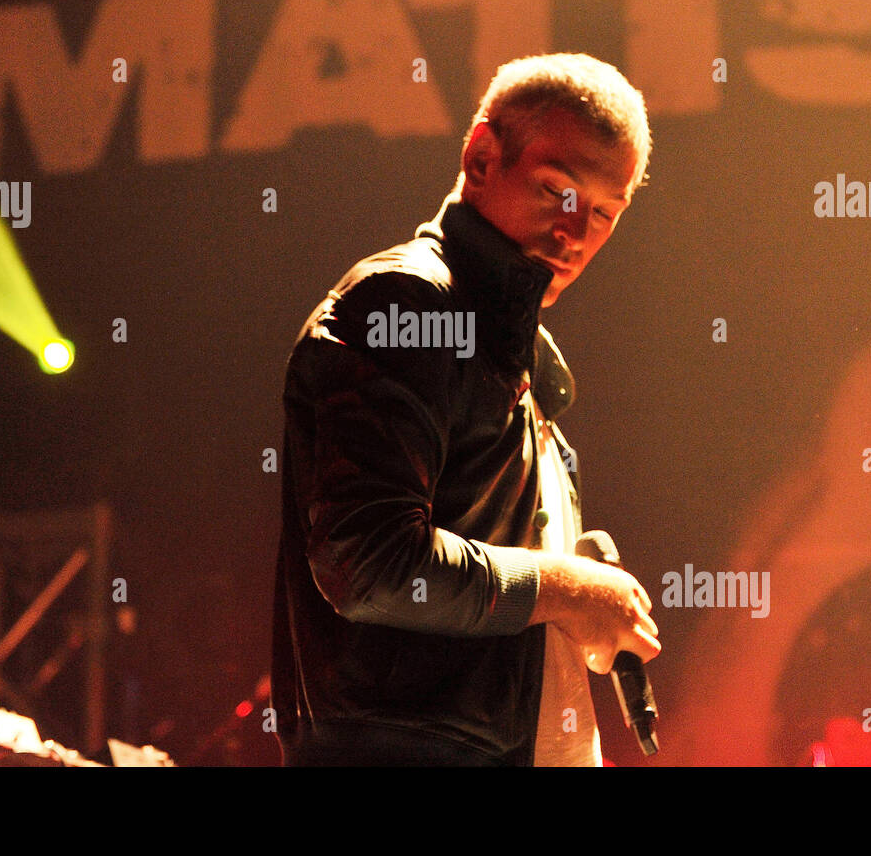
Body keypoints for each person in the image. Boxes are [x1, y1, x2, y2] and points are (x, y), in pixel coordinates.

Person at [271, 53, 659, 766]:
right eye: (556, 191)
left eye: (604, 212)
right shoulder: (405, 304)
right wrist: (568, 587)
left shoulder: (515, 350)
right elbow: (371, 563)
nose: (575, 234)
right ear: (482, 157)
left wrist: (576, 589)